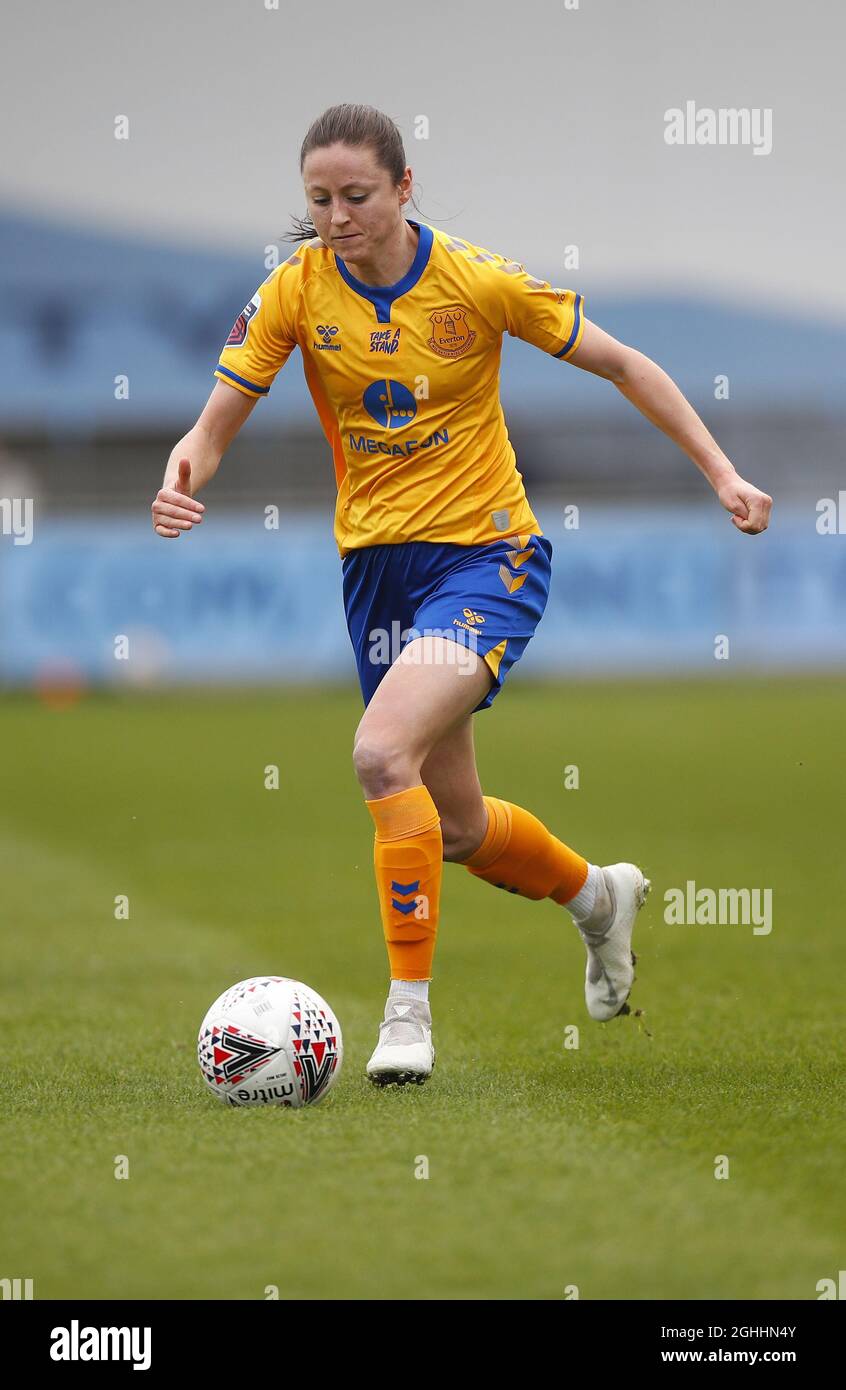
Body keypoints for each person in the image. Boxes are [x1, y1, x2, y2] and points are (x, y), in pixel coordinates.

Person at [152, 103, 772, 1088]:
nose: (336, 216)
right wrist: (186, 473)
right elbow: (215, 421)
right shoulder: (292, 292)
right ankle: (599, 899)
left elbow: (620, 362)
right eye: (318, 200)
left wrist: (722, 473)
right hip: (377, 571)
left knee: (378, 751)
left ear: (403, 188)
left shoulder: (473, 281)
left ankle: (407, 1016)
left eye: (356, 196)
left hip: (489, 556)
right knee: (457, 828)